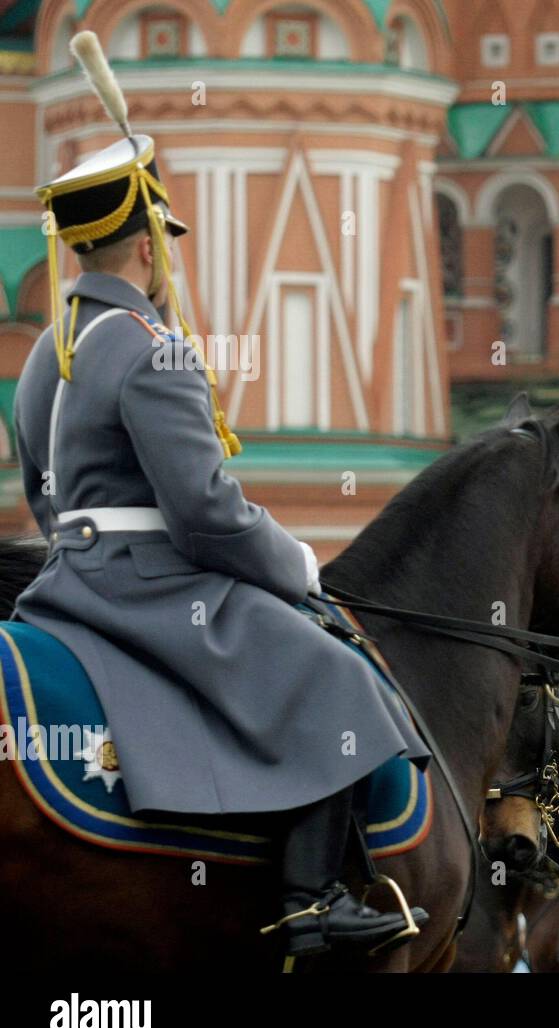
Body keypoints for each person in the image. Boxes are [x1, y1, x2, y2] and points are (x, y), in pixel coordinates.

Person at [10, 32, 430, 958]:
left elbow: (38, 488)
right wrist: (293, 562)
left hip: (69, 579)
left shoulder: (52, 348)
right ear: (150, 243)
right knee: (335, 674)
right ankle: (313, 900)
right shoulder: (150, 344)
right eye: (167, 244)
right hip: (155, 582)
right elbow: (203, 510)